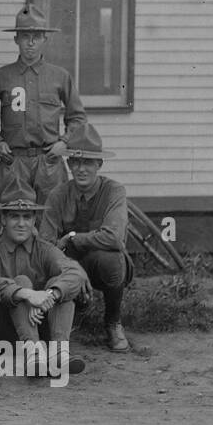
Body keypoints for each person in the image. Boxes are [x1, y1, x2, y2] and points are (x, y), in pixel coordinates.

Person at [0, 169, 88, 377]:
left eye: (27, 217)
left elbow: (74, 273)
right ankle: (33, 352)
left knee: (60, 281)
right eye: (14, 217)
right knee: (21, 281)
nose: (21, 223)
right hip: (3, 332)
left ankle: (59, 352)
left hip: (42, 325)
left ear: (34, 220)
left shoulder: (44, 248)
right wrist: (27, 295)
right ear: (3, 219)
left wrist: (50, 295)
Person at [39, 124, 135, 352]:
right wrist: (72, 268)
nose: (81, 169)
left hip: (102, 266)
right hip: (69, 267)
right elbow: (44, 244)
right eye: (76, 162)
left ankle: (113, 322)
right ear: (69, 165)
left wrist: (72, 238)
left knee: (111, 259)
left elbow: (113, 238)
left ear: (99, 165)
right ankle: (73, 314)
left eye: (88, 163)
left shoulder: (114, 191)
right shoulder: (58, 195)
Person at [0, 3, 87, 203]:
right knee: (14, 221)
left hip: (49, 162)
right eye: (25, 37)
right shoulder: (0, 77)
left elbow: (78, 118)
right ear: (16, 39)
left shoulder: (60, 76)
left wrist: (64, 142)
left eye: (36, 37)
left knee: (51, 220)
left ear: (44, 40)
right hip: (14, 162)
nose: (30, 43)